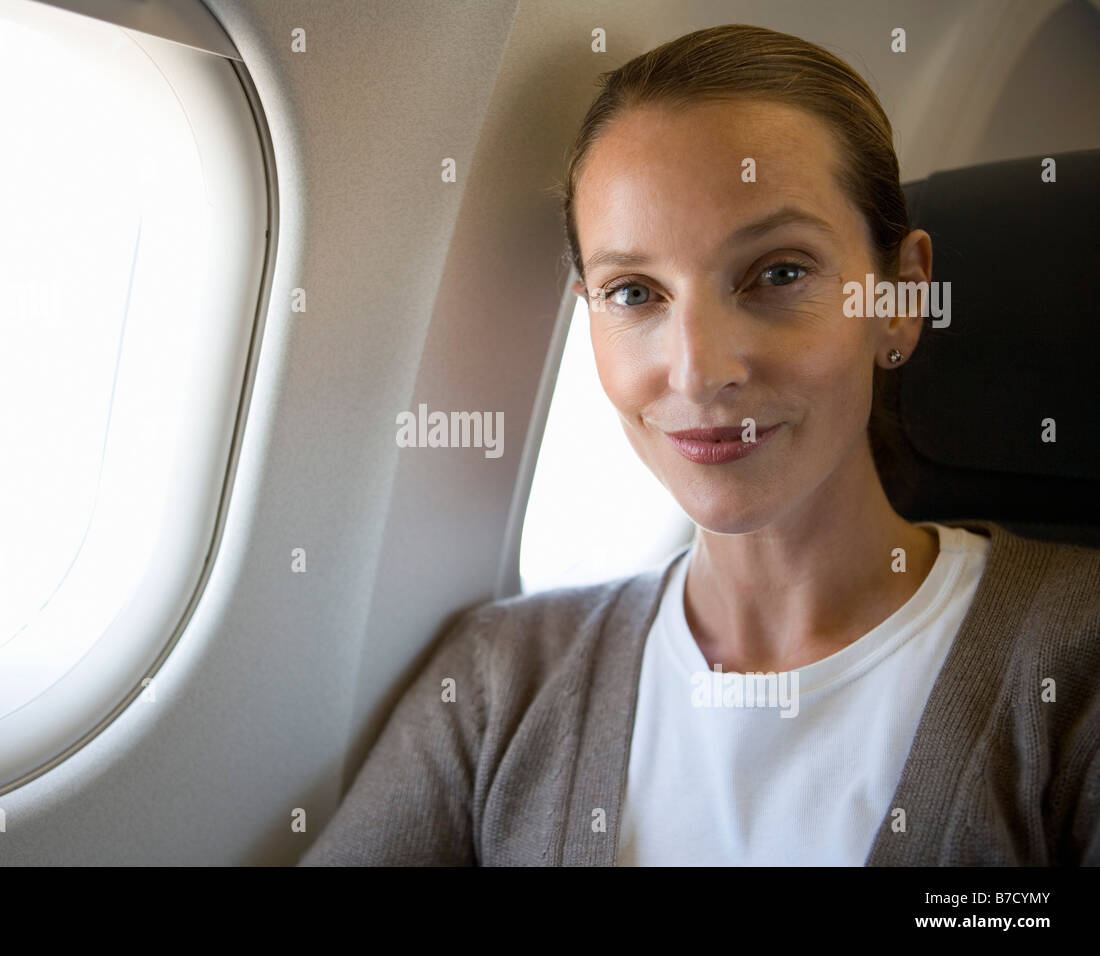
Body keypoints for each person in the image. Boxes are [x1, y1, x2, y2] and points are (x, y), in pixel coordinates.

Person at [299, 24, 1100, 866]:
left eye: (779, 273)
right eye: (635, 292)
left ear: (900, 298)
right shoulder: (500, 683)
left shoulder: (1072, 666)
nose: (697, 371)